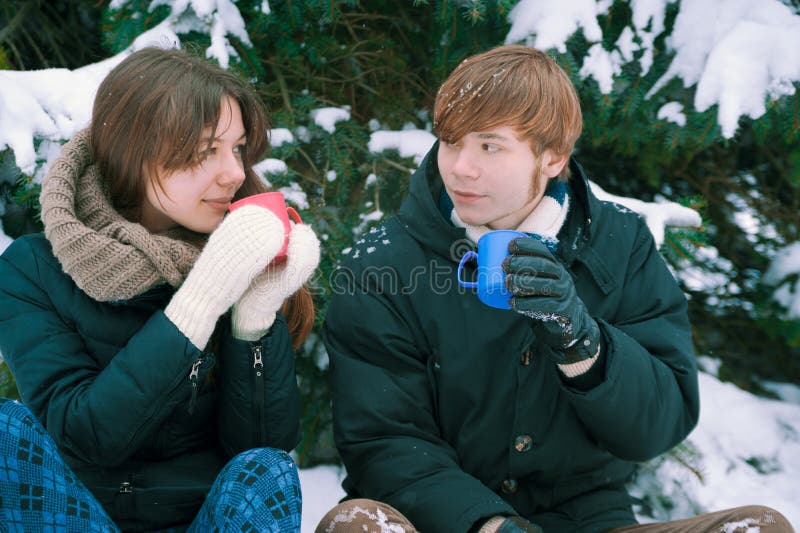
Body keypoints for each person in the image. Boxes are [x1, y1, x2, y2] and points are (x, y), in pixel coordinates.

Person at [316, 45, 793, 532]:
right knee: (355, 525)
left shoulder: (620, 243)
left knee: (761, 528)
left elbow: (657, 427)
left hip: (587, 523)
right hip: (446, 525)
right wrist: (491, 526)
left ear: (552, 157)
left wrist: (583, 346)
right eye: (450, 142)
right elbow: (384, 442)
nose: (461, 167)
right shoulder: (383, 263)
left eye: (489, 146)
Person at [0, 46, 320, 532]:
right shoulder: (32, 270)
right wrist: (202, 297)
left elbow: (257, 453)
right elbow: (85, 437)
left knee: (267, 467)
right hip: (77, 518)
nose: (235, 173)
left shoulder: (238, 256)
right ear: (135, 152)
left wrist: (254, 315)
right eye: (207, 150)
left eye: (237, 148)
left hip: (201, 520)